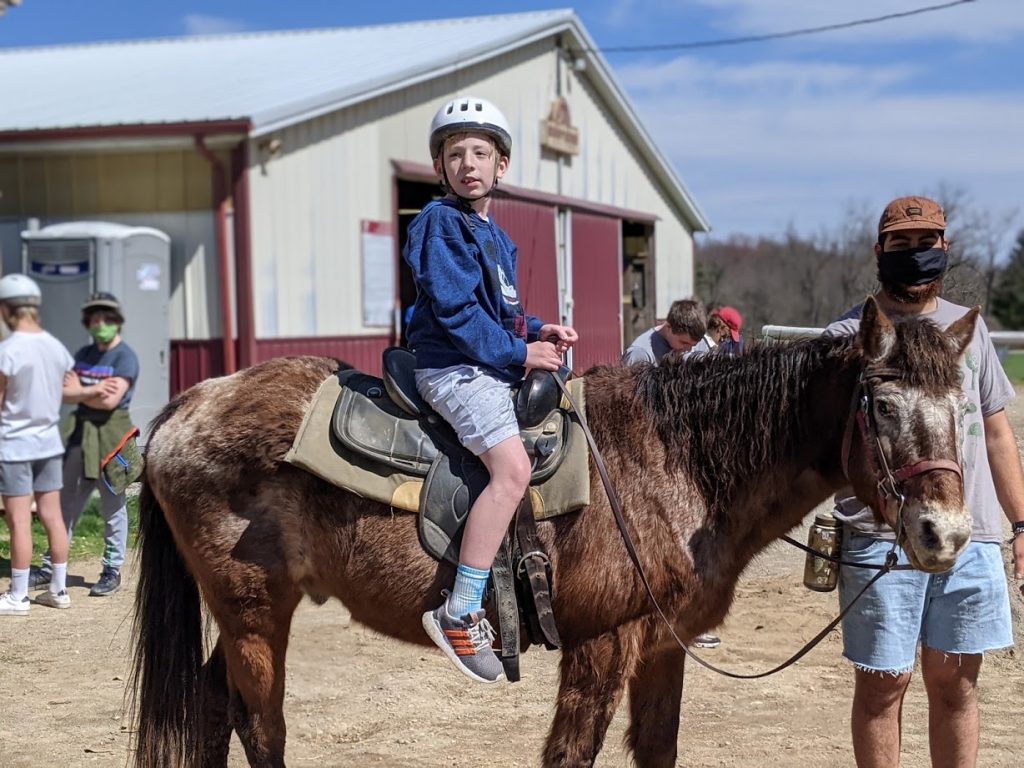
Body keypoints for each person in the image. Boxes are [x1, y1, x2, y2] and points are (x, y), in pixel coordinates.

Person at [826, 196, 1024, 768]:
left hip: (971, 532)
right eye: (902, 244)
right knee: (883, 687)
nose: (915, 255)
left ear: (945, 249)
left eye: (926, 243)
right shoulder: (848, 336)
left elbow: (995, 434)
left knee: (956, 684)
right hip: (878, 534)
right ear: (879, 251)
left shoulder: (970, 331)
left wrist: (1020, 524)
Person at [404, 95, 578, 684]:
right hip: (450, 367)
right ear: (440, 167)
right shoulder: (438, 224)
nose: (468, 163)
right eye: (455, 154)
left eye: (481, 152)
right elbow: (456, 314)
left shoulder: (496, 239)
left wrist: (538, 330)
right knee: (511, 471)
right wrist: (520, 352)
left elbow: (500, 317)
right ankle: (459, 608)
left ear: (501, 166)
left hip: (482, 359)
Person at [30, 292, 140, 597]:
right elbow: (63, 394)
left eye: (105, 318)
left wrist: (81, 389)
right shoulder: (84, 353)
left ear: (116, 321)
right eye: (94, 319)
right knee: (64, 506)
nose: (99, 324)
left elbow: (110, 401)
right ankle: (51, 566)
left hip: (112, 440)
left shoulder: (125, 357)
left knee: (113, 509)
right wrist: (93, 389)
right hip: (79, 438)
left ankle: (111, 570)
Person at [0, 274, 75, 614]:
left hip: (14, 444)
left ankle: (18, 596)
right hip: (49, 442)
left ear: (6, 309)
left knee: (18, 520)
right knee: (53, 517)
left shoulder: (7, 351)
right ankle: (59, 591)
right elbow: (64, 388)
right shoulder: (56, 347)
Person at [621, 298, 706, 365]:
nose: (689, 350)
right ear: (668, 327)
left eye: (694, 345)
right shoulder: (641, 354)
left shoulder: (701, 344)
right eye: (684, 343)